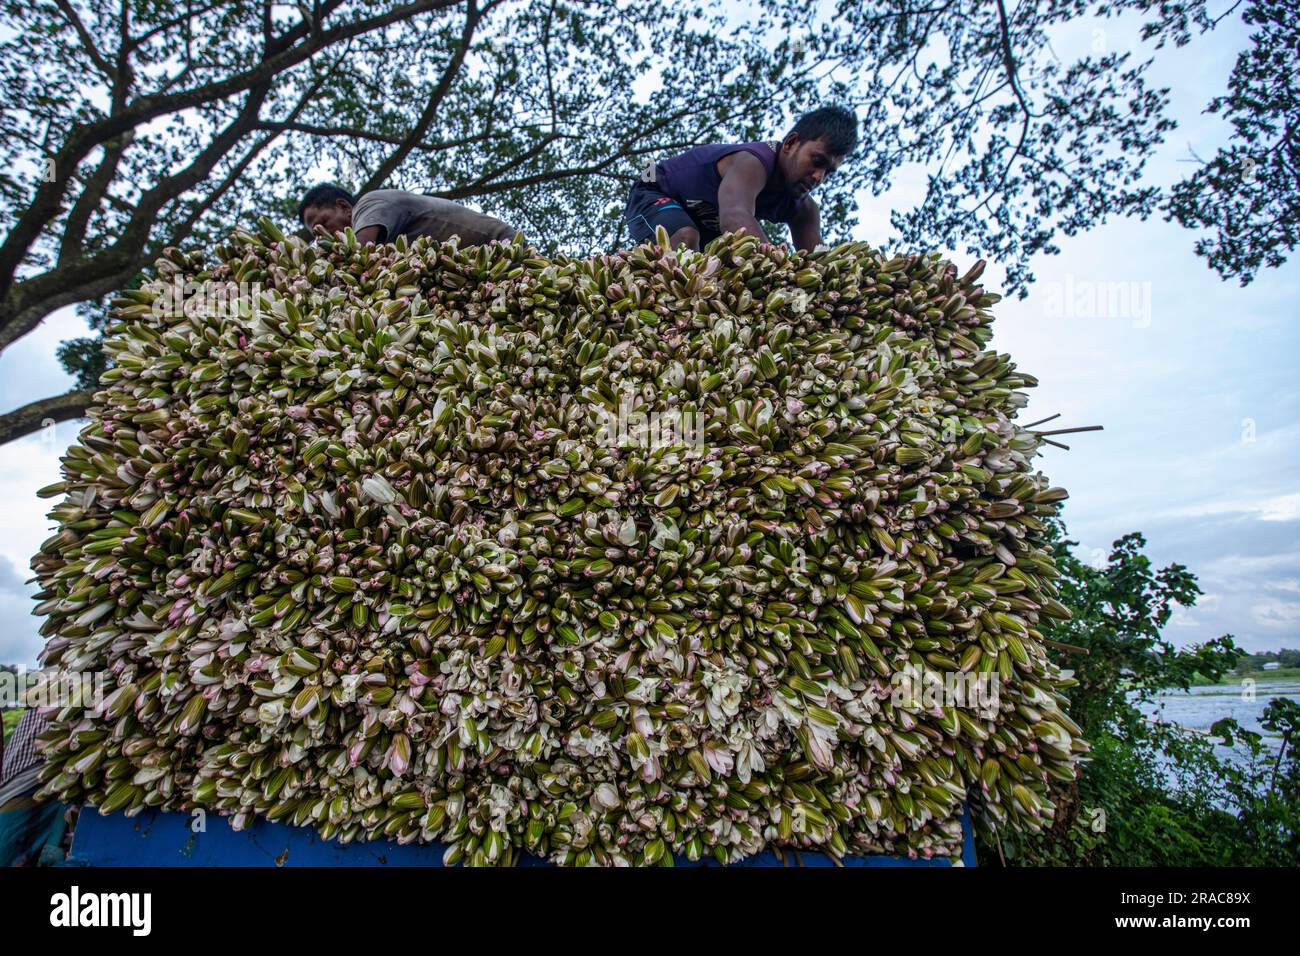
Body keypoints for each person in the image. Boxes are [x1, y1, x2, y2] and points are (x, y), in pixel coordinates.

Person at [624, 106, 859, 253]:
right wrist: (779, 270)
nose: (819, 177)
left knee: (720, 270)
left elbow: (820, 262)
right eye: (816, 161)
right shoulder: (754, 162)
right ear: (790, 144)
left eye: (829, 172)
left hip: (705, 225)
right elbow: (734, 219)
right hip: (655, 193)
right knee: (685, 238)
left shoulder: (804, 209)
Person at [297, 184, 521, 246]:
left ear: (344, 207)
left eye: (323, 223)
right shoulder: (389, 246)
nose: (321, 234)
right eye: (315, 234)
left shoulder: (370, 204)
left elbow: (358, 250)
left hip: (502, 246)